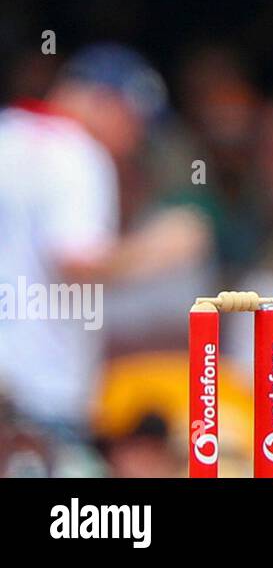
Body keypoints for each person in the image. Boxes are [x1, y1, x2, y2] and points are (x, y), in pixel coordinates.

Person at [0, 44, 210, 457]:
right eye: (134, 122)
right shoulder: (77, 154)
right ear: (106, 103)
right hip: (40, 396)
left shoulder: (8, 132)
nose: (134, 140)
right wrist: (164, 245)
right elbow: (77, 262)